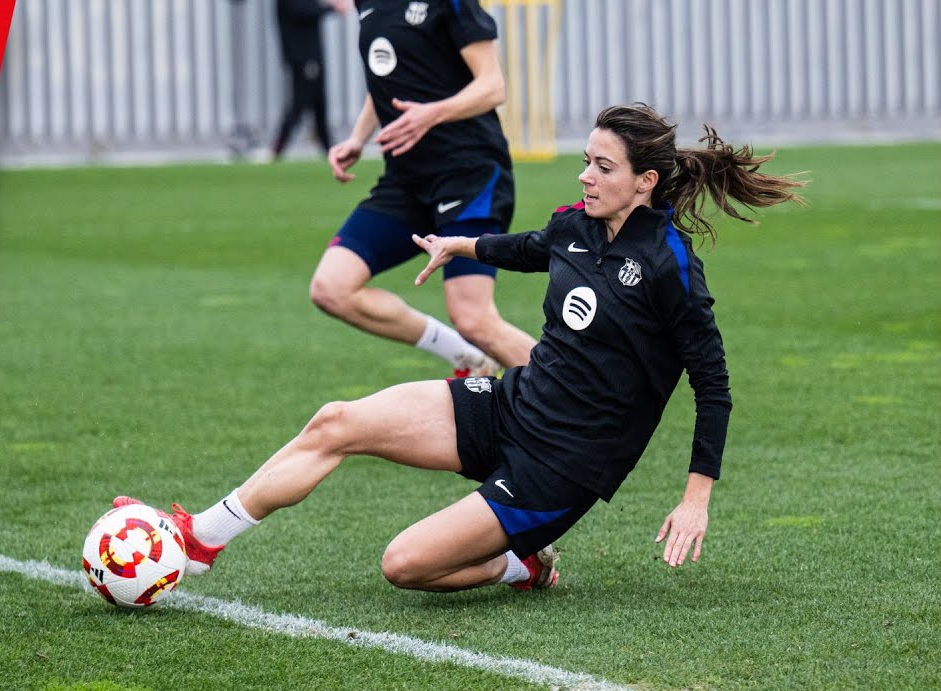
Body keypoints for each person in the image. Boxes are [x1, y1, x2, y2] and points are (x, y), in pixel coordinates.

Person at [117, 103, 806, 592]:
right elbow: (530, 246)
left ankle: (523, 563)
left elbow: (713, 387)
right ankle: (200, 539)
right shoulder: (576, 226)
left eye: (602, 166)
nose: (584, 177)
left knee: (405, 566)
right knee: (337, 421)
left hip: (561, 469)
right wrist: (460, 245)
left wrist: (696, 499)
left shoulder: (670, 266)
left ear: (645, 182)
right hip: (512, 405)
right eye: (585, 162)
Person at [310, 0, 537, 378]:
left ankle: (587, 402)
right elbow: (391, 75)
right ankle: (468, 357)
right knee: (331, 289)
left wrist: (432, 113)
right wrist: (357, 138)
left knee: (474, 319)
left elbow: (493, 86)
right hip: (406, 180)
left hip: (468, 174)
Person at [270, 0, 352, 160]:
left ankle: (330, 150)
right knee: (298, 105)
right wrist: (331, 7)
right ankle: (277, 148)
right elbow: (302, 11)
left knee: (319, 105)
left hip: (312, 56)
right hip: (303, 57)